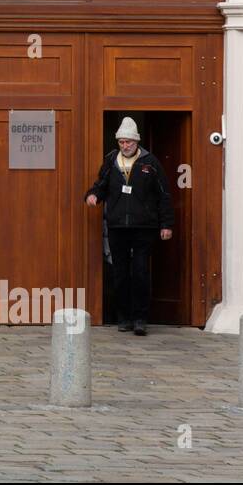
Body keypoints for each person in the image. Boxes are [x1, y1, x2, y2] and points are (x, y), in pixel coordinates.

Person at [85, 117, 173, 335]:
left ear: (137, 142)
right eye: (122, 142)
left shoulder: (149, 163)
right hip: (117, 227)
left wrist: (166, 225)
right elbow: (101, 184)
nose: (125, 146)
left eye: (129, 143)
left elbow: (164, 195)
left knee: (141, 271)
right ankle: (123, 318)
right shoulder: (111, 161)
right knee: (120, 273)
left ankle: (140, 318)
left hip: (144, 227)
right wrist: (93, 195)